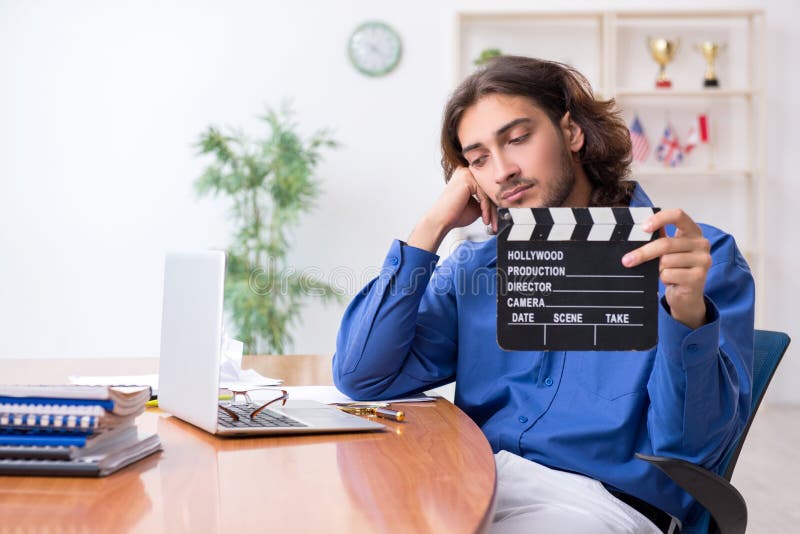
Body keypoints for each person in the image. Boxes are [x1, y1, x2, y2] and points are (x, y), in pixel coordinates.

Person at [332, 56, 754, 534]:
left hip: (600, 505)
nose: (502, 171)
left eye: (517, 138)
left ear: (571, 132)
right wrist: (431, 227)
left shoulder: (695, 258)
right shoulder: (477, 267)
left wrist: (687, 313)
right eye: (479, 159)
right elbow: (361, 376)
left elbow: (694, 448)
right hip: (474, 479)